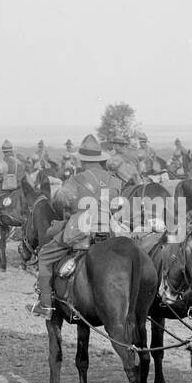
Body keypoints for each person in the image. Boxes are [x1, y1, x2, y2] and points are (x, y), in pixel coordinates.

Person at [33, 135, 124, 318]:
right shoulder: (115, 181)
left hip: (82, 232)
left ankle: (46, 305)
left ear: (83, 160)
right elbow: (118, 205)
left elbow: (59, 203)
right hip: (110, 231)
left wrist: (69, 213)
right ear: (100, 159)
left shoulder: (75, 180)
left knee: (44, 256)